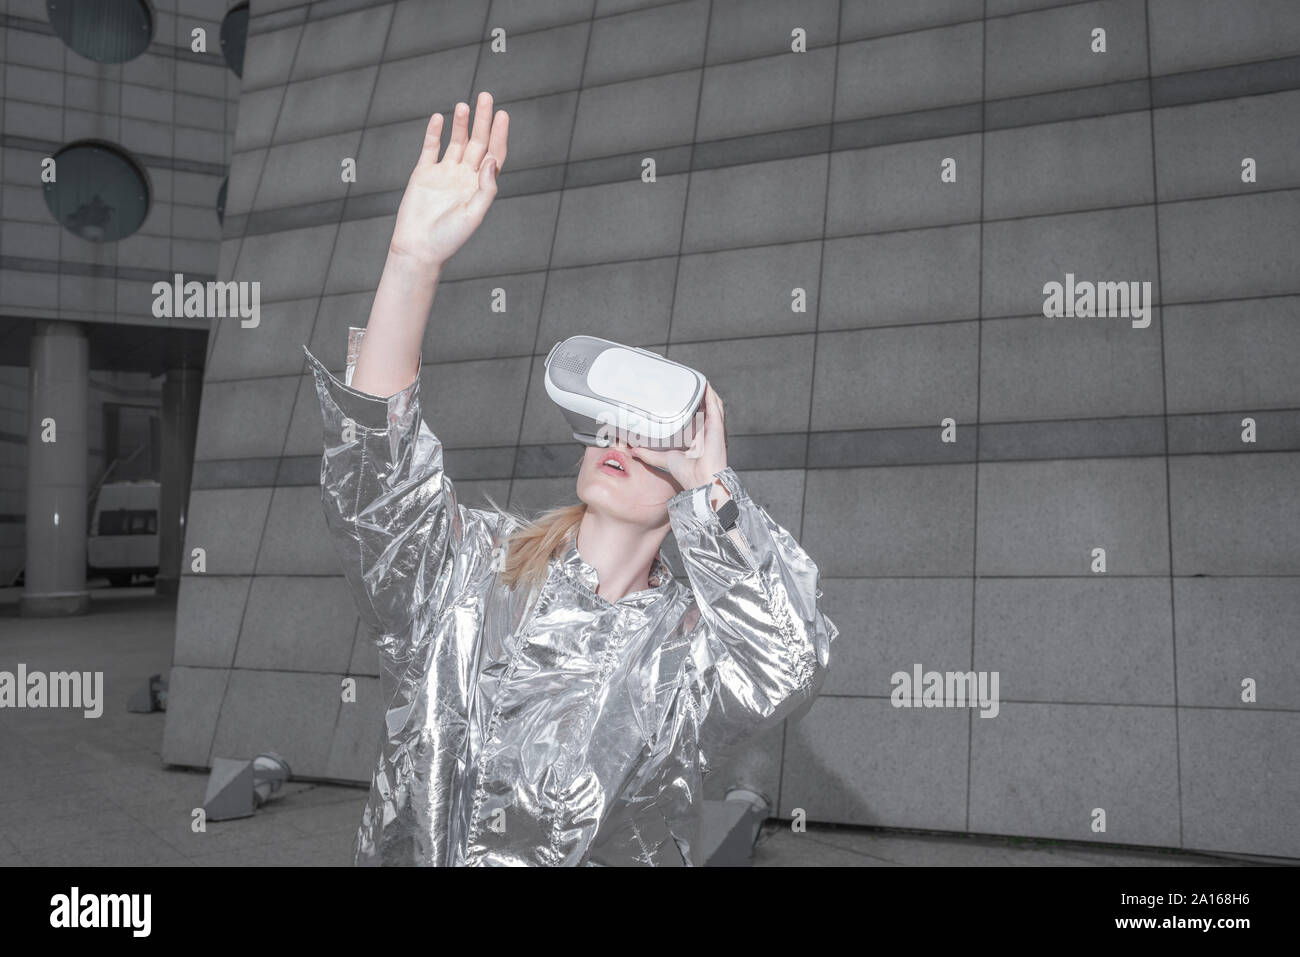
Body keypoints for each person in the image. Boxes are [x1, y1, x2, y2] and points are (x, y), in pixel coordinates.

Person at [301, 91, 838, 866]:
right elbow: (375, 483)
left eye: (650, 428)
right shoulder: (470, 573)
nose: (622, 434)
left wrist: (713, 487)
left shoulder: (685, 651)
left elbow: (788, 666)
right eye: (611, 418)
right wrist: (411, 261)